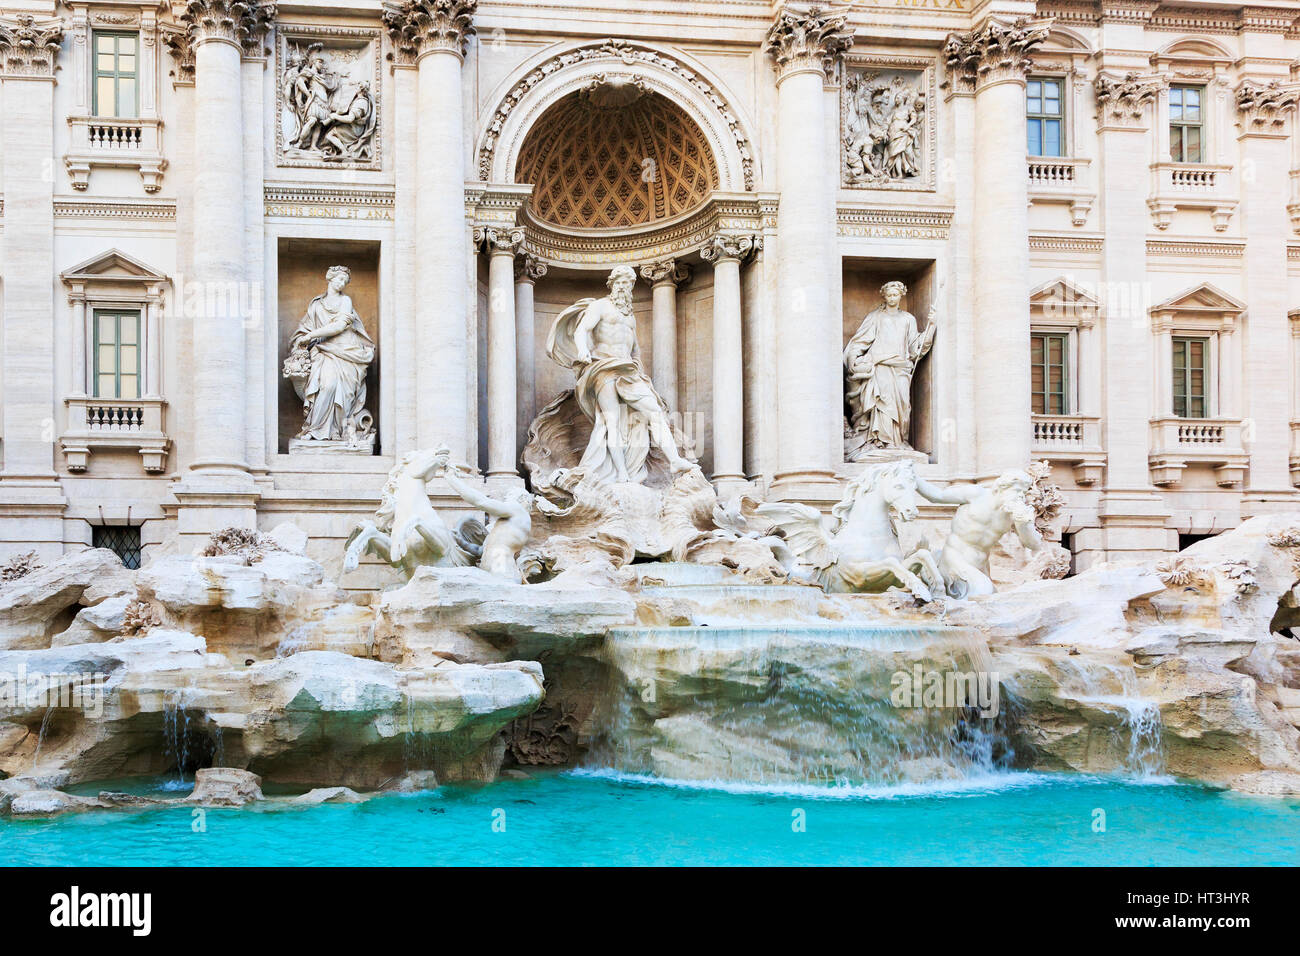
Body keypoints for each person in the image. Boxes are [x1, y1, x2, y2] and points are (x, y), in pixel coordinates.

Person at [545, 265, 693, 484]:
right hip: (603, 367)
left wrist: (641, 373)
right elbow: (582, 330)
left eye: (628, 283)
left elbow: (635, 350)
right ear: (612, 285)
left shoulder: (630, 317)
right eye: (620, 282)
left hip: (629, 371)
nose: (624, 287)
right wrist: (583, 349)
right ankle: (621, 473)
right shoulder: (600, 306)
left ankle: (674, 460)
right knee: (611, 421)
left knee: (654, 411)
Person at [290, 265, 375, 441]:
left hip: (346, 350)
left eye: (345, 281)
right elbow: (305, 327)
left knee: (345, 391)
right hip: (324, 350)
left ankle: (338, 430)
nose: (342, 283)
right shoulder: (316, 304)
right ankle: (316, 430)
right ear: (330, 278)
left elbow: (339, 326)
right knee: (327, 386)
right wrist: (303, 339)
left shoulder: (346, 301)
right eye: (339, 279)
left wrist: (311, 336)